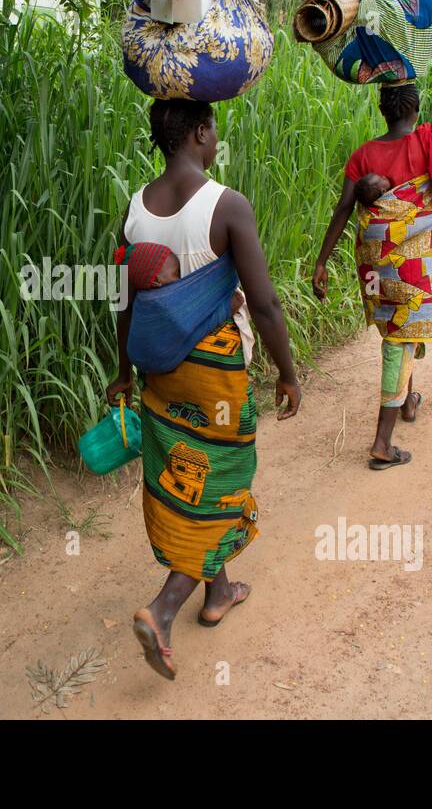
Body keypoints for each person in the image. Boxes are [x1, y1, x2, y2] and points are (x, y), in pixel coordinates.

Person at [106, 98, 302, 681]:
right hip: (214, 372)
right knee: (224, 485)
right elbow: (263, 303)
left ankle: (219, 592)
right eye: (212, 127)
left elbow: (127, 303)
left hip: (159, 374)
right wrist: (287, 371)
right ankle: (165, 609)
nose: (216, 137)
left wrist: (122, 370)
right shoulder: (227, 206)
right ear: (197, 132)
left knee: (186, 475)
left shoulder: (135, 211)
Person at [311, 12, 432, 470]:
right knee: (399, 343)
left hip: (374, 269)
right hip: (412, 265)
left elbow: (342, 211)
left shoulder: (363, 155)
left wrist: (321, 263)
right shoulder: (426, 140)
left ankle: (408, 402)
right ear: (415, 109)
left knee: (398, 330)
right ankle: (381, 444)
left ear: (381, 109)